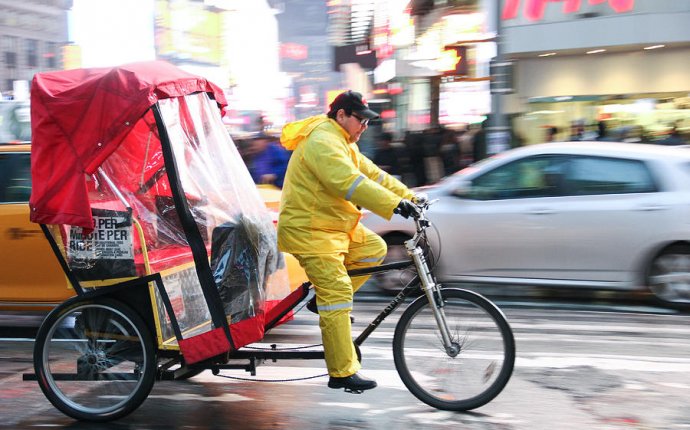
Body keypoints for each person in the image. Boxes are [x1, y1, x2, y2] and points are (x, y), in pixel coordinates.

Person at [277, 90, 417, 393]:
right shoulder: (322, 141)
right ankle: (341, 371)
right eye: (360, 120)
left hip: (329, 226)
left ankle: (320, 301)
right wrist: (395, 206)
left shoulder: (341, 141)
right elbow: (348, 182)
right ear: (341, 115)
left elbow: (373, 174)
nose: (364, 127)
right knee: (338, 290)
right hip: (310, 230)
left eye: (367, 122)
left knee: (374, 247)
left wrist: (411, 198)